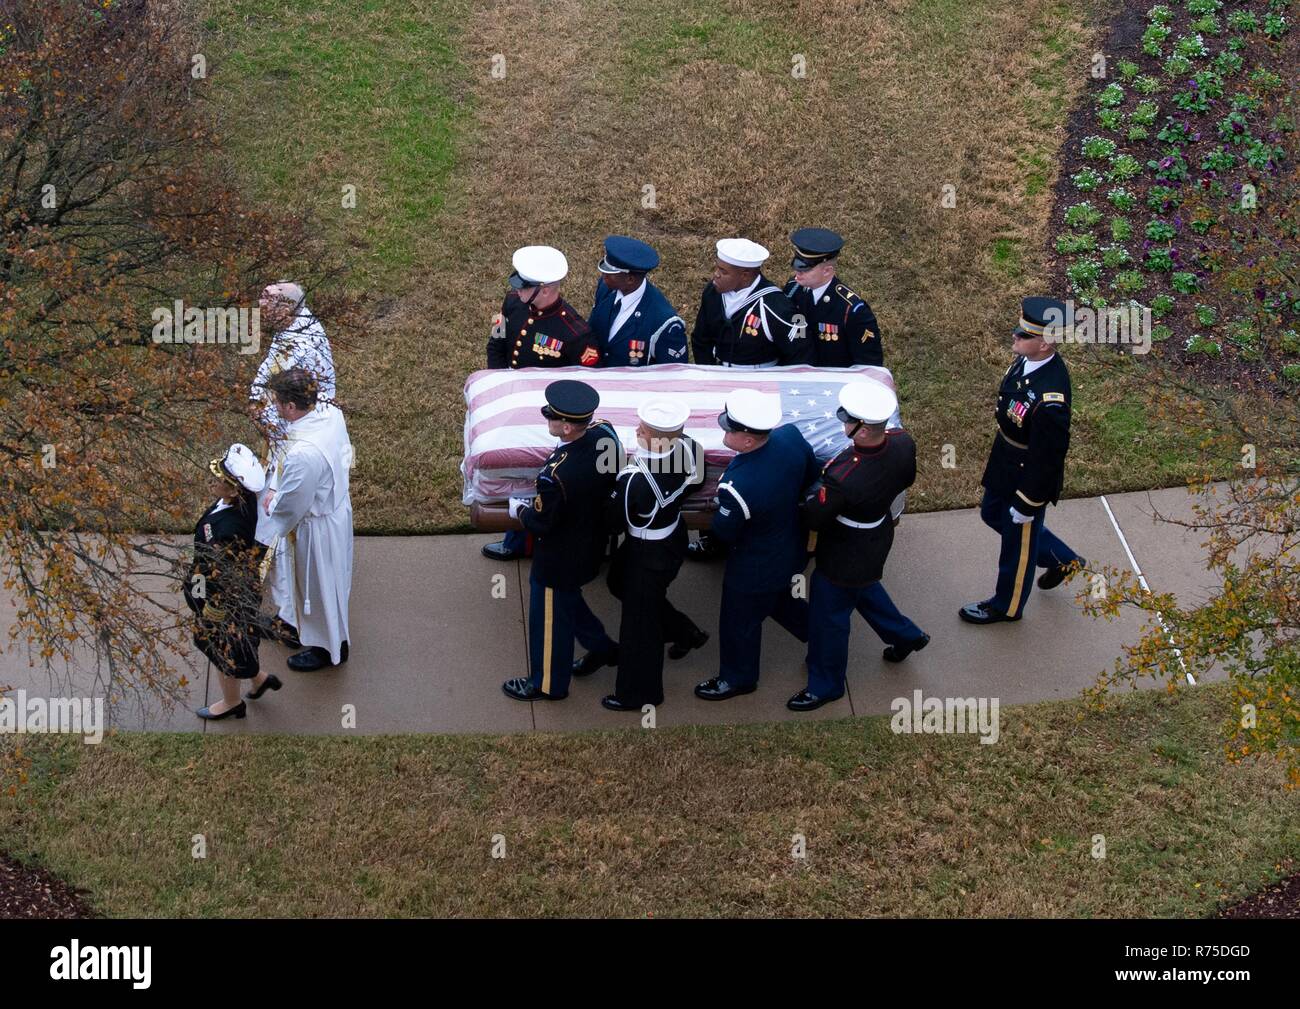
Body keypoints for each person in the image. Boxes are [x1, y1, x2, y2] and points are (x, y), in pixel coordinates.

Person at [791, 382, 928, 712]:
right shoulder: (901, 443)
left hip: (844, 550)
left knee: (829, 618)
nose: (842, 421)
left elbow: (814, 516)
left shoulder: (844, 474)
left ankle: (826, 683)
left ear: (862, 429)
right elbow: (906, 478)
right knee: (864, 588)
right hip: (876, 534)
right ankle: (905, 635)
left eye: (846, 417)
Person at [960, 296, 1086, 625]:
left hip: (1026, 477)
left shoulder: (1051, 401)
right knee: (992, 514)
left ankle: (1007, 605)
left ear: (1045, 344)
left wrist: (1028, 503)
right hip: (1007, 458)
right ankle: (1063, 560)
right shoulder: (1025, 361)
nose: (1015, 337)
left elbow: (1048, 460)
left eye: (1024, 335)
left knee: (1017, 545)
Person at [577, 399, 708, 711]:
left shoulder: (635, 479)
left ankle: (640, 694)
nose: (637, 430)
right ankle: (685, 633)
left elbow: (612, 522)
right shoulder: (690, 448)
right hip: (672, 536)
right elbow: (697, 479)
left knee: (638, 628)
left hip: (647, 553)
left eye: (644, 430)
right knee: (619, 583)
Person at [694, 390, 821, 701]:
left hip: (754, 566)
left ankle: (738, 677)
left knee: (739, 621)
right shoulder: (790, 437)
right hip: (790, 547)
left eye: (729, 429)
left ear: (748, 441)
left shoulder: (738, 485)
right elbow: (811, 473)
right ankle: (821, 640)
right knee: (780, 601)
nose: (724, 430)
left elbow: (723, 532)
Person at [502, 380, 622, 701]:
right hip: (592, 543)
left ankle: (548, 684)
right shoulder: (606, 435)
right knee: (569, 602)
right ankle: (602, 648)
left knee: (549, 620)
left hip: (558, 558)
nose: (548, 419)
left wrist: (520, 511)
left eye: (552, 417)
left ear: (567, 427)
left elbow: (542, 523)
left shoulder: (555, 475)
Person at [482, 245, 600, 562]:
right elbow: (497, 344)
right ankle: (518, 537)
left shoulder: (575, 334)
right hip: (514, 407)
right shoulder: (511, 304)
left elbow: (582, 390)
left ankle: (534, 536)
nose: (515, 290)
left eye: (524, 286)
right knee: (519, 477)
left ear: (545, 289)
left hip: (553, 419)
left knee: (545, 477)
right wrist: (500, 385)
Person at [250, 280, 336, 647]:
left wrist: (263, 416)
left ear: (287, 307)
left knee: (281, 534)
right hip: (284, 440)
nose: (260, 304)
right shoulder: (293, 328)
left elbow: (290, 403)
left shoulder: (302, 343)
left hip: (291, 445)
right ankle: (289, 612)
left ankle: (291, 621)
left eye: (268, 299)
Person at [255, 368, 355, 670]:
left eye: (277, 403)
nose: (274, 407)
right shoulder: (328, 412)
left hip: (315, 530)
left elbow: (291, 506)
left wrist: (272, 504)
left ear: (289, 407)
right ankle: (295, 624)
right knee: (332, 582)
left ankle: (327, 649)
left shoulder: (304, 454)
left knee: (319, 587)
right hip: (335, 511)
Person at [187, 444, 280, 720]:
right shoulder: (239, 501)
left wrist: (210, 606)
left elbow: (220, 576)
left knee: (221, 647)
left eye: (219, 479)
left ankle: (231, 703)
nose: (212, 480)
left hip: (225, 600)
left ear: (233, 490)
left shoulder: (225, 531)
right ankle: (260, 679)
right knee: (242, 644)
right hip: (239, 592)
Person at [690, 238, 811, 368]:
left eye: (723, 271)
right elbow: (701, 339)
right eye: (717, 268)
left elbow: (800, 352)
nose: (716, 275)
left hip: (759, 379)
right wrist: (709, 372)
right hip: (719, 375)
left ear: (745, 275)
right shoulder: (712, 293)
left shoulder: (776, 306)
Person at [783, 228, 883, 367]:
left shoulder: (852, 310)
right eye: (797, 265)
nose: (797, 272)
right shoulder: (793, 289)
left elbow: (869, 365)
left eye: (805, 268)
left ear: (827, 271)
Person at [589, 236, 687, 366]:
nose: (603, 276)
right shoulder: (606, 288)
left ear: (630, 279)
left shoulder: (664, 322)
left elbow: (672, 375)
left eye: (610, 274)